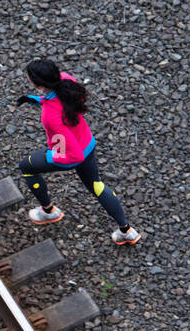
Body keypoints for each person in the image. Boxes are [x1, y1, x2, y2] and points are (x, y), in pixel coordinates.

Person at [15, 58, 141, 245]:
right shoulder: (67, 81)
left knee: (26, 167)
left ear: (40, 86)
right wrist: (39, 101)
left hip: (70, 154)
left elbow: (72, 155)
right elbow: (60, 102)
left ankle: (49, 211)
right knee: (97, 186)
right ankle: (126, 231)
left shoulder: (50, 117)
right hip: (87, 143)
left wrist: (51, 155)